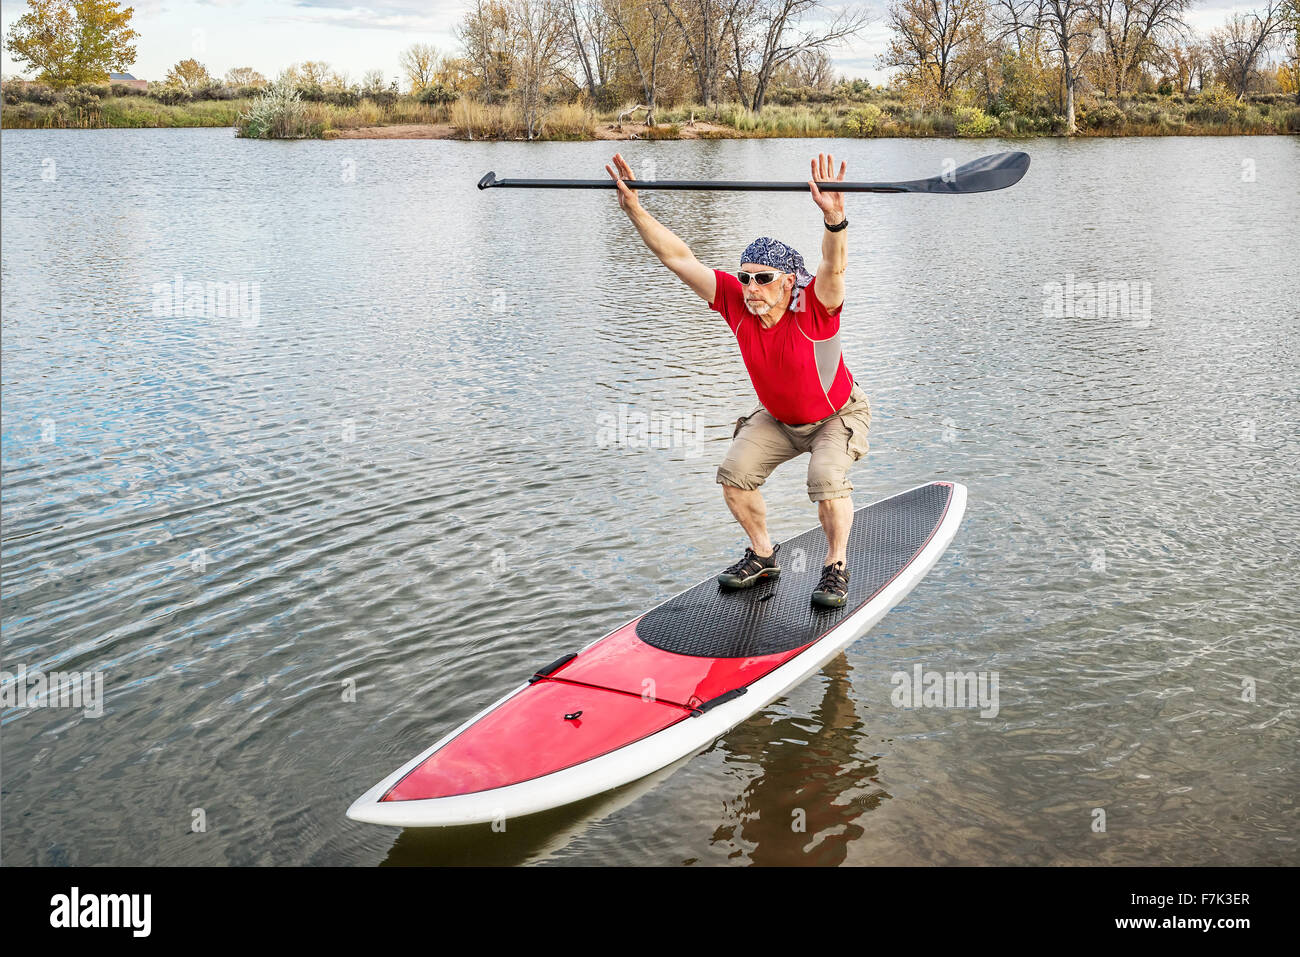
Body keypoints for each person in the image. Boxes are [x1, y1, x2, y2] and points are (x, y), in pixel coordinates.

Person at [605, 151, 870, 608]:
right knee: (734, 476)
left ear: (788, 282)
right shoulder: (734, 301)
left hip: (835, 416)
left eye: (762, 279)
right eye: (745, 277)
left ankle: (835, 566)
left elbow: (834, 269)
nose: (750, 289)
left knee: (825, 476)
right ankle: (765, 554)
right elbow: (677, 256)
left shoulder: (815, 308)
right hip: (779, 419)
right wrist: (634, 209)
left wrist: (834, 220)